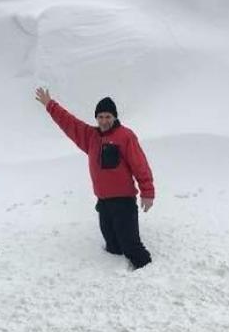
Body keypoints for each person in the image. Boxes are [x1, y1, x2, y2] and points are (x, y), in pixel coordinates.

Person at [35, 87, 154, 270]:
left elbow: (140, 165)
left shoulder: (125, 136)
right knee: (113, 247)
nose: (104, 121)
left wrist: (147, 192)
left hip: (123, 203)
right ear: (96, 118)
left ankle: (148, 273)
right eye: (100, 117)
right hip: (104, 202)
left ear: (114, 117)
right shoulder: (91, 136)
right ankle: (116, 279)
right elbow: (69, 122)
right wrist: (50, 105)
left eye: (107, 116)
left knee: (132, 248)